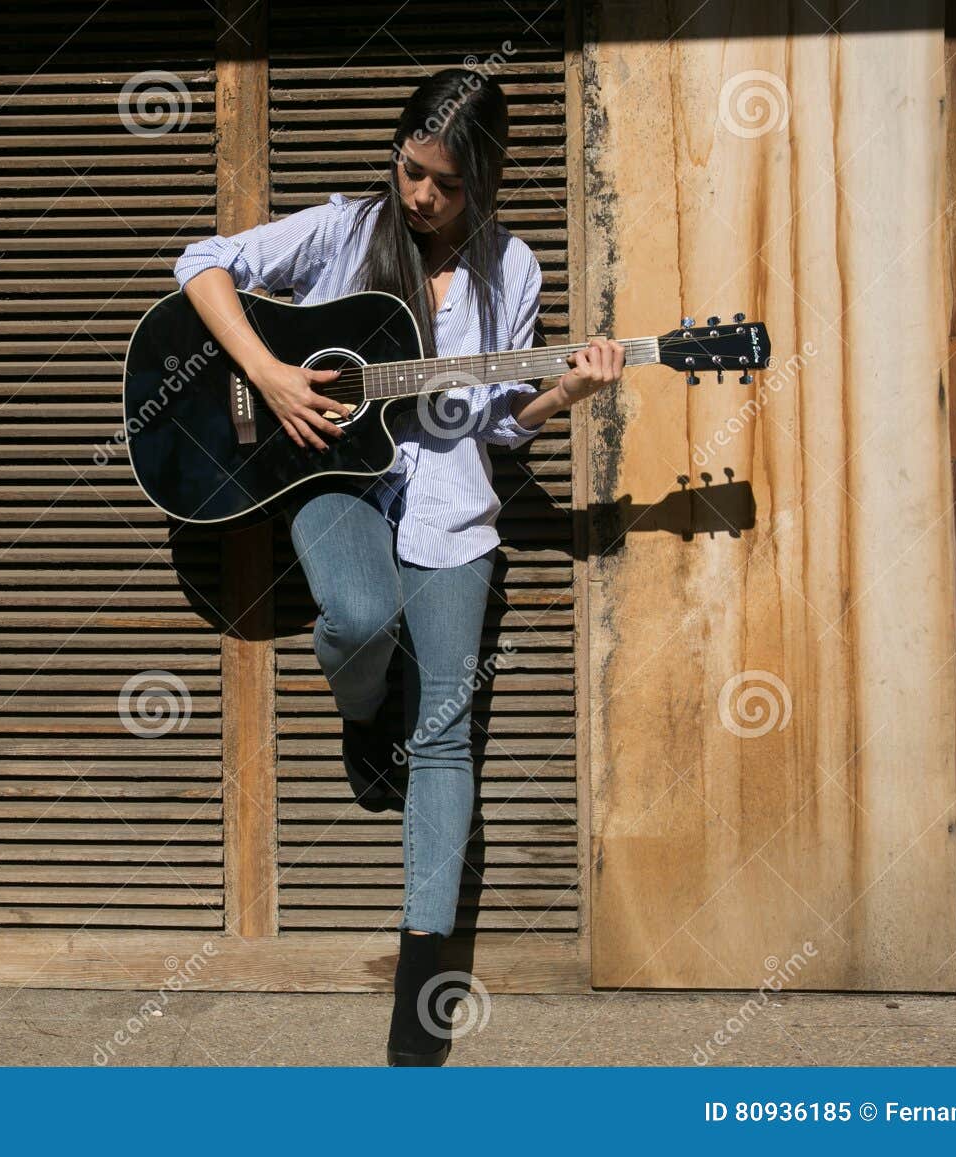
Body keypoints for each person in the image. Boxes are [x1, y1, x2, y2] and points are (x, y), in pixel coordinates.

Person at [171, 68, 624, 1066]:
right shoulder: (342, 231)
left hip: (454, 512)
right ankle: (362, 706)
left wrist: (570, 393)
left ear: (485, 180)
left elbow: (501, 425)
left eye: (444, 184)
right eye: (410, 171)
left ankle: (421, 998)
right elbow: (201, 262)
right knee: (357, 615)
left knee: (449, 734)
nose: (419, 197)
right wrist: (269, 370)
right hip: (336, 484)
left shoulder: (516, 269)